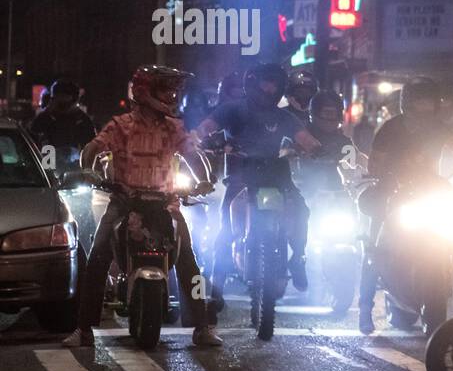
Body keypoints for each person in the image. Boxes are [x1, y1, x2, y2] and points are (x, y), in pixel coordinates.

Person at [62, 66, 221, 348]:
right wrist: (88, 171)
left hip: (165, 204)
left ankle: (202, 327)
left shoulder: (174, 127)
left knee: (188, 262)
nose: (171, 96)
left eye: (173, 90)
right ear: (145, 91)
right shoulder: (121, 125)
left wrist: (205, 180)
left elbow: (193, 157)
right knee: (97, 258)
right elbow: (92, 149)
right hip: (124, 203)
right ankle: (83, 329)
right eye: (165, 89)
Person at [356, 77, 453, 334]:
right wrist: (383, 174)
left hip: (431, 191)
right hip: (395, 190)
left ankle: (448, 275)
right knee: (374, 250)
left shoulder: (441, 129)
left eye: (429, 102)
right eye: (420, 102)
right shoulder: (391, 128)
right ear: (408, 103)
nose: (425, 108)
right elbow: (375, 164)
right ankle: (365, 308)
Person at [198, 63, 322, 302]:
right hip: (241, 178)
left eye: (274, 84)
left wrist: (317, 149)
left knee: (301, 211)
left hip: (278, 176)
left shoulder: (284, 116)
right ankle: (218, 286)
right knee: (226, 229)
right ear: (252, 84)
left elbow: (306, 139)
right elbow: (206, 128)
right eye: (265, 83)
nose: (269, 89)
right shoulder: (233, 110)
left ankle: (297, 258)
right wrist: (199, 139)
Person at [26, 79, 96, 173]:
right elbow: (32, 137)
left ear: (74, 100)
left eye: (65, 99)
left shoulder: (82, 120)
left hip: (75, 170)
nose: (62, 105)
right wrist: (47, 113)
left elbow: (91, 146)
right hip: (48, 169)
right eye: (58, 99)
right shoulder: (45, 117)